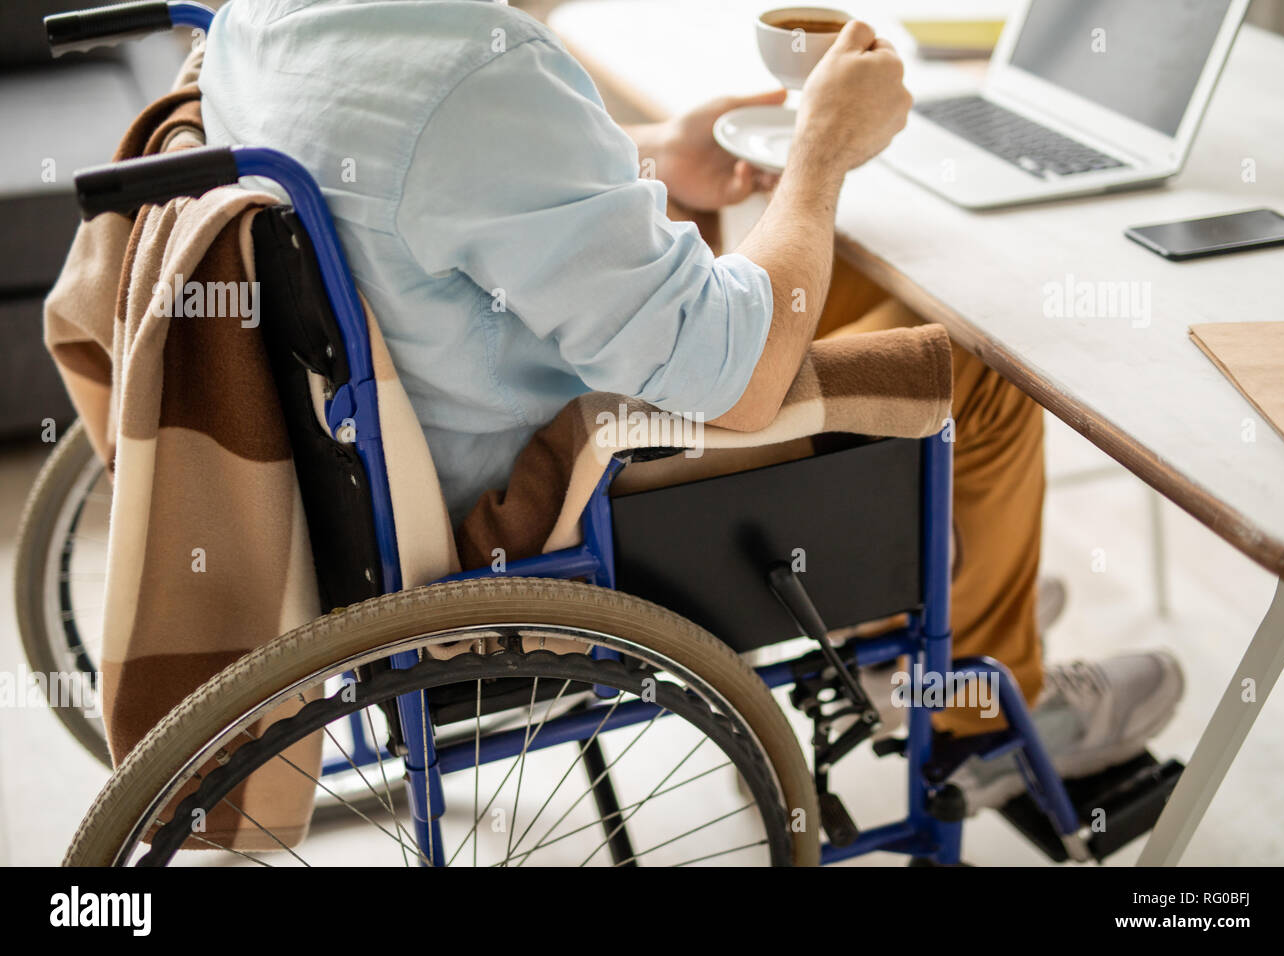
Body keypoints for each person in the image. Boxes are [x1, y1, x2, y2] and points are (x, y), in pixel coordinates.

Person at [198, 0, 1183, 812]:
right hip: (549, 515)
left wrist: (650, 159)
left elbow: (435, 173)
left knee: (877, 306)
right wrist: (821, 157)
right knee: (976, 368)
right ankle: (971, 707)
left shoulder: (269, 23)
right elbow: (741, 374)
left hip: (404, 459)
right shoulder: (481, 74)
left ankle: (946, 613)